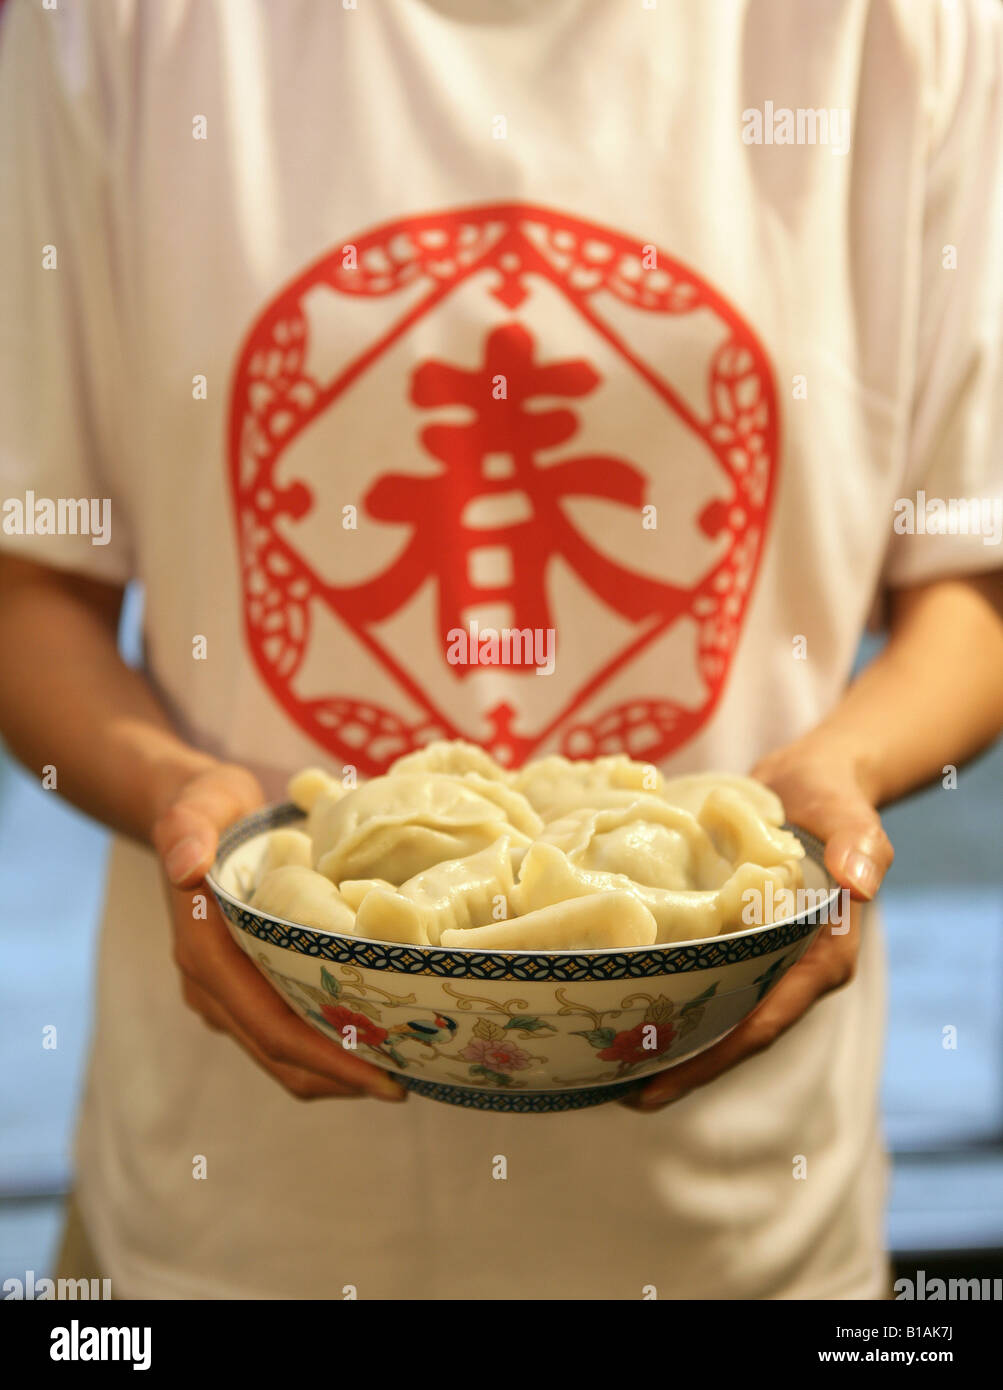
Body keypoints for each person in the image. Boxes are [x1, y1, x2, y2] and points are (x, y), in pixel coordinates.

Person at [1, 0, 1001, 1301]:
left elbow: (969, 582)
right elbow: (34, 585)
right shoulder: (109, 24)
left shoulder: (905, 26)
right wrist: (169, 798)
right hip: (233, 1227)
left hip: (742, 1229)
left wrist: (840, 778)